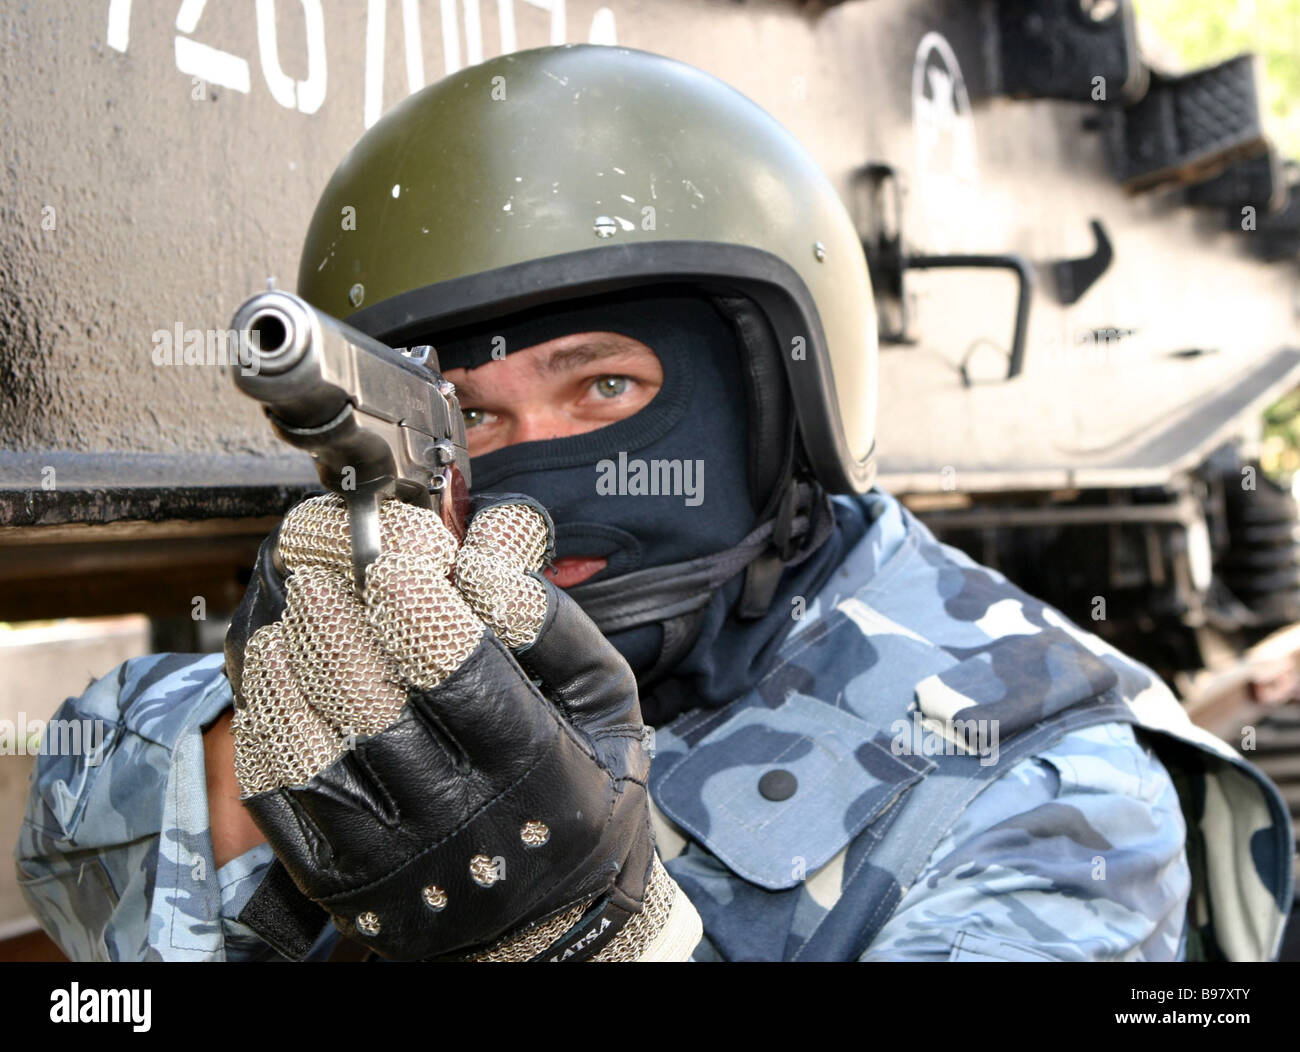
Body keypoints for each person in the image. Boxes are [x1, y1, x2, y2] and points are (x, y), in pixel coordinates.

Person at [15, 44, 1293, 962]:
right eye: (468, 418)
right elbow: (71, 836)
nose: (536, 477)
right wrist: (304, 718)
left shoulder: (1050, 786)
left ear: (775, 401)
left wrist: (584, 937)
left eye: (607, 388)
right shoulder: (404, 630)